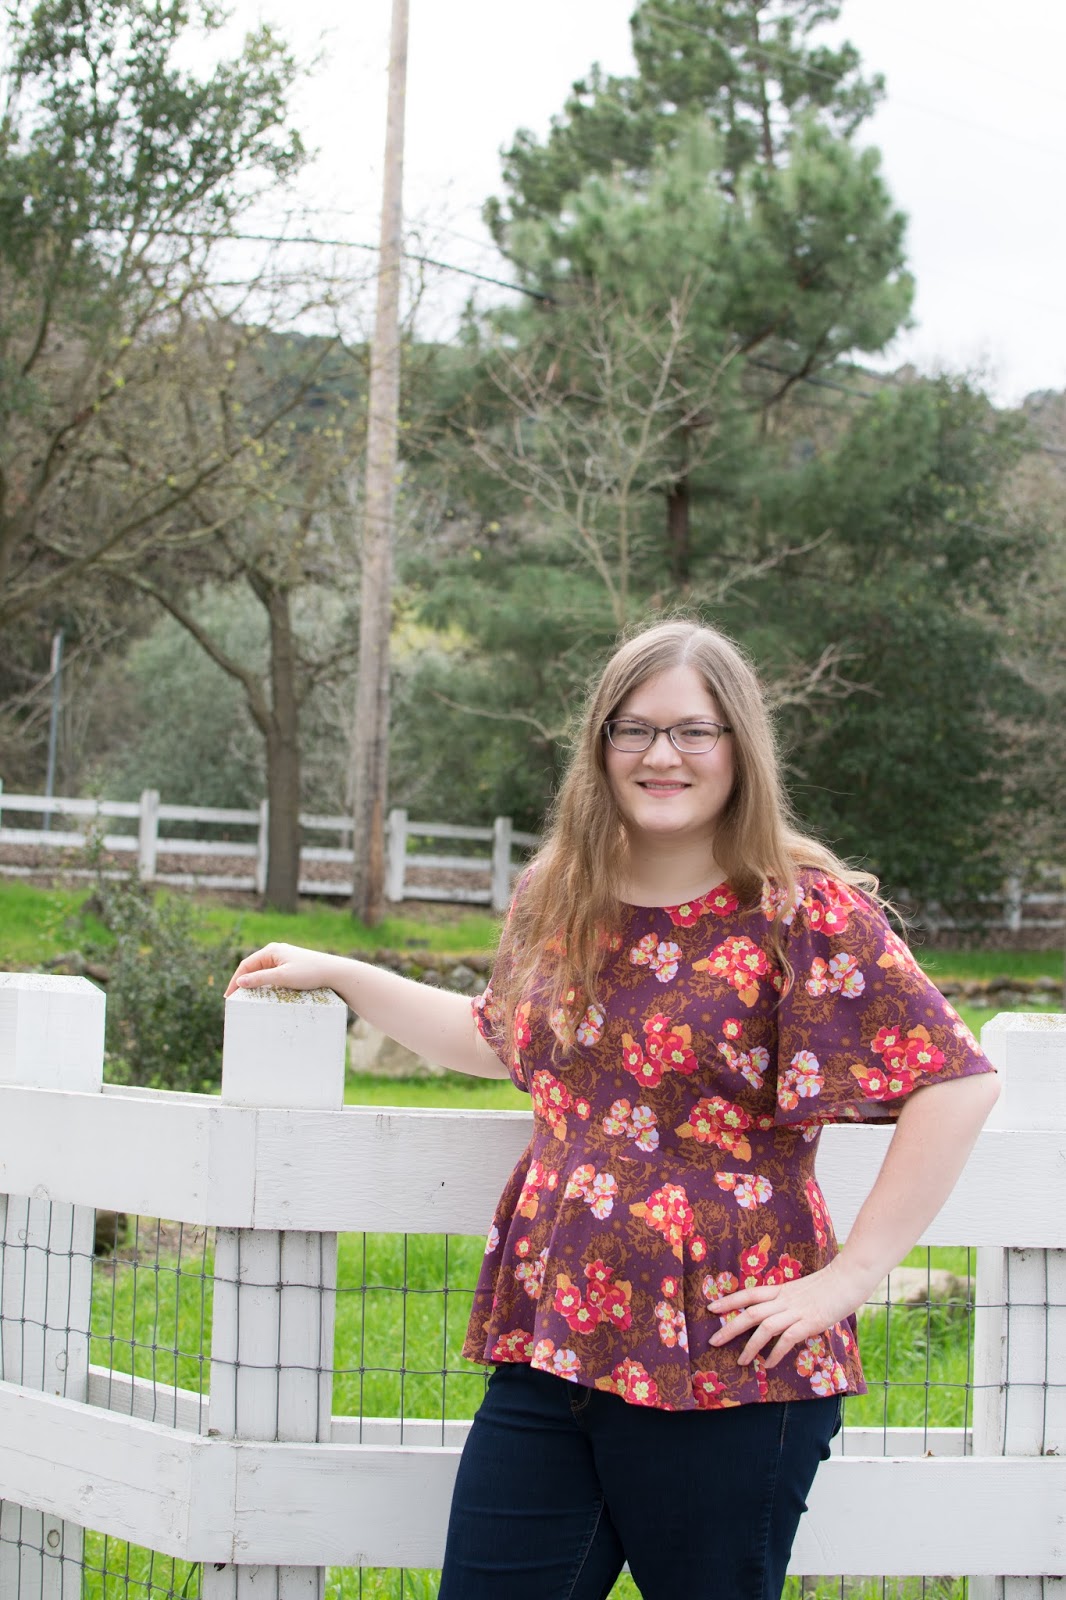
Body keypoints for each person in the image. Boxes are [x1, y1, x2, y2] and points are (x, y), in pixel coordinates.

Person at [226, 619, 1000, 1600]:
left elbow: (956, 1078)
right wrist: (343, 971)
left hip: (728, 1357)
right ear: (599, 745)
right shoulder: (559, 893)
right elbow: (506, 1037)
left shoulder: (800, 913)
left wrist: (849, 1277)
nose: (661, 754)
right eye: (632, 729)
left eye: (692, 730)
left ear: (738, 747)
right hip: (553, 1344)